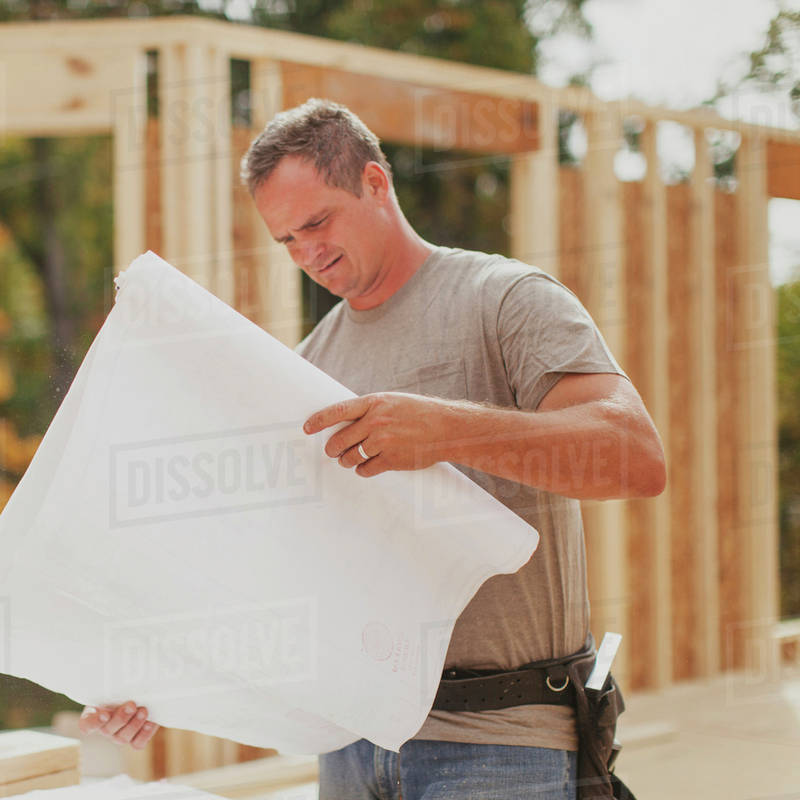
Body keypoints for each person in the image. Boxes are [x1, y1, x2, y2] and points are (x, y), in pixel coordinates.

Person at [80, 98, 666, 799]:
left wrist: (445, 431)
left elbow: (634, 457)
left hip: (498, 747)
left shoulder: (504, 300)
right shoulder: (308, 368)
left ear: (376, 184)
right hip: (354, 746)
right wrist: (155, 683)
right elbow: (267, 568)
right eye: (287, 240)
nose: (308, 254)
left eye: (318, 222)